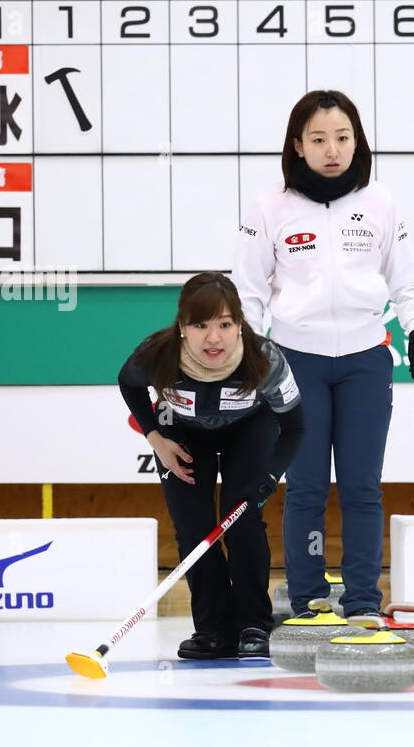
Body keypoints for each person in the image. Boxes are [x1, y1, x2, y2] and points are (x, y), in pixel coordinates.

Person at [232, 90, 414, 623]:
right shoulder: (269, 206)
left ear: (357, 142)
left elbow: (407, 278)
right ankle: (309, 600)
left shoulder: (380, 201)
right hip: (296, 360)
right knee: (305, 486)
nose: (332, 149)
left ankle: (365, 600)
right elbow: (248, 292)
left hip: (366, 359)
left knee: (362, 485)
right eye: (318, 139)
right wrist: (250, 358)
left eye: (342, 137)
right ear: (297, 145)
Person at [118, 272, 304, 659]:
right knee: (193, 528)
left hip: (250, 430)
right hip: (182, 434)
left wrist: (271, 475)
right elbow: (128, 383)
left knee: (243, 520)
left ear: (240, 324)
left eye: (224, 324)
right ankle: (213, 629)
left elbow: (295, 426)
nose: (213, 338)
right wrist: (155, 438)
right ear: (182, 327)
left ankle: (254, 623)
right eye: (200, 325)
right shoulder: (158, 352)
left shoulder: (265, 359)